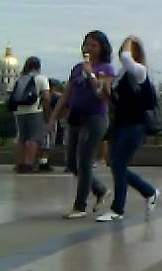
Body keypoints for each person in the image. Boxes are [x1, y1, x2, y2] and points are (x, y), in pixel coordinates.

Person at [48, 30, 115, 219]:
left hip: (95, 118)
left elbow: (102, 95)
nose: (89, 48)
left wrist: (91, 75)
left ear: (102, 48)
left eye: (94, 45)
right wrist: (53, 117)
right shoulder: (77, 69)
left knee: (85, 161)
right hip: (75, 117)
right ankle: (100, 189)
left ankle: (80, 206)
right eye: (87, 44)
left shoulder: (106, 69)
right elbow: (66, 95)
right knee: (71, 162)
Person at [96, 36, 160, 222]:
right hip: (121, 124)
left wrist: (130, 40)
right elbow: (115, 99)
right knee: (116, 165)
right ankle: (149, 192)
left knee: (118, 165)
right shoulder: (122, 73)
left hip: (134, 125)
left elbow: (125, 57)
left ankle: (118, 208)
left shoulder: (139, 71)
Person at [10, 57, 51, 174]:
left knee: (21, 138)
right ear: (38, 67)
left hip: (19, 112)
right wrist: (47, 112)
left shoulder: (19, 79)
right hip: (35, 111)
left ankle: (20, 164)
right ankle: (29, 164)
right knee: (33, 138)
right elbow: (46, 97)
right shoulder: (41, 79)